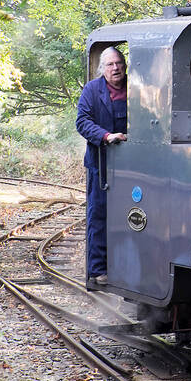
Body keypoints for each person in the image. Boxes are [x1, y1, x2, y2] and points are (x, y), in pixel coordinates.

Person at [76, 47, 127, 284]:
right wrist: (106, 136)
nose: (115, 68)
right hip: (101, 162)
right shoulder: (92, 90)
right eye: (110, 65)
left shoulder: (136, 88)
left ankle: (127, 266)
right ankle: (98, 270)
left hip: (133, 163)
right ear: (102, 69)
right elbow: (83, 122)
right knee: (99, 215)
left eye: (118, 63)